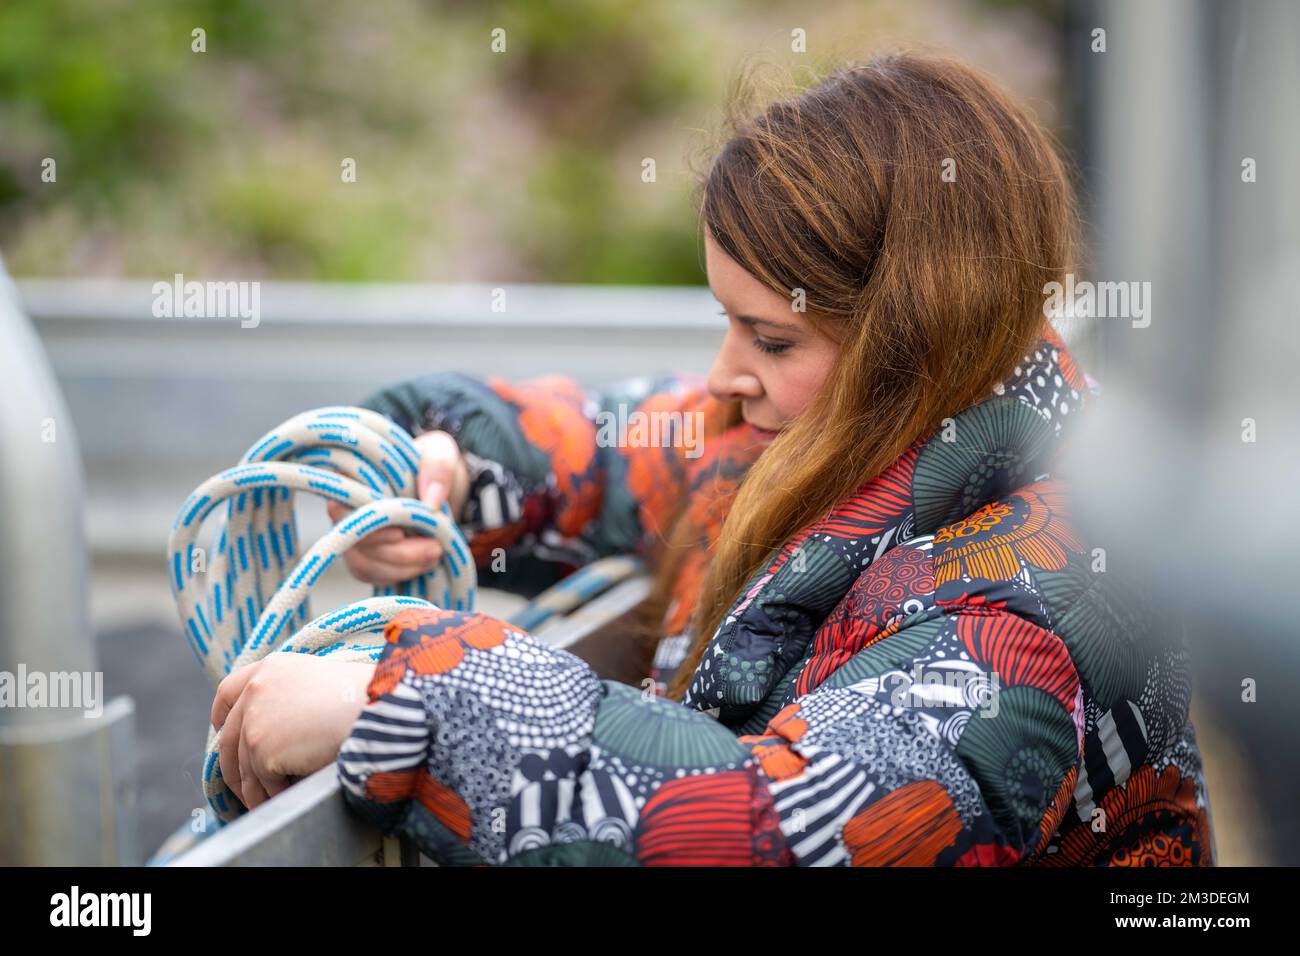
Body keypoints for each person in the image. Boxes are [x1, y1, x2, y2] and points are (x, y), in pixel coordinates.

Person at [209, 50, 1215, 866]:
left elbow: (770, 830)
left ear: (910, 340)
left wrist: (401, 700)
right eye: (728, 324)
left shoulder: (1037, 611)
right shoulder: (808, 437)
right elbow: (611, 444)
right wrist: (447, 458)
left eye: (770, 339)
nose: (725, 373)